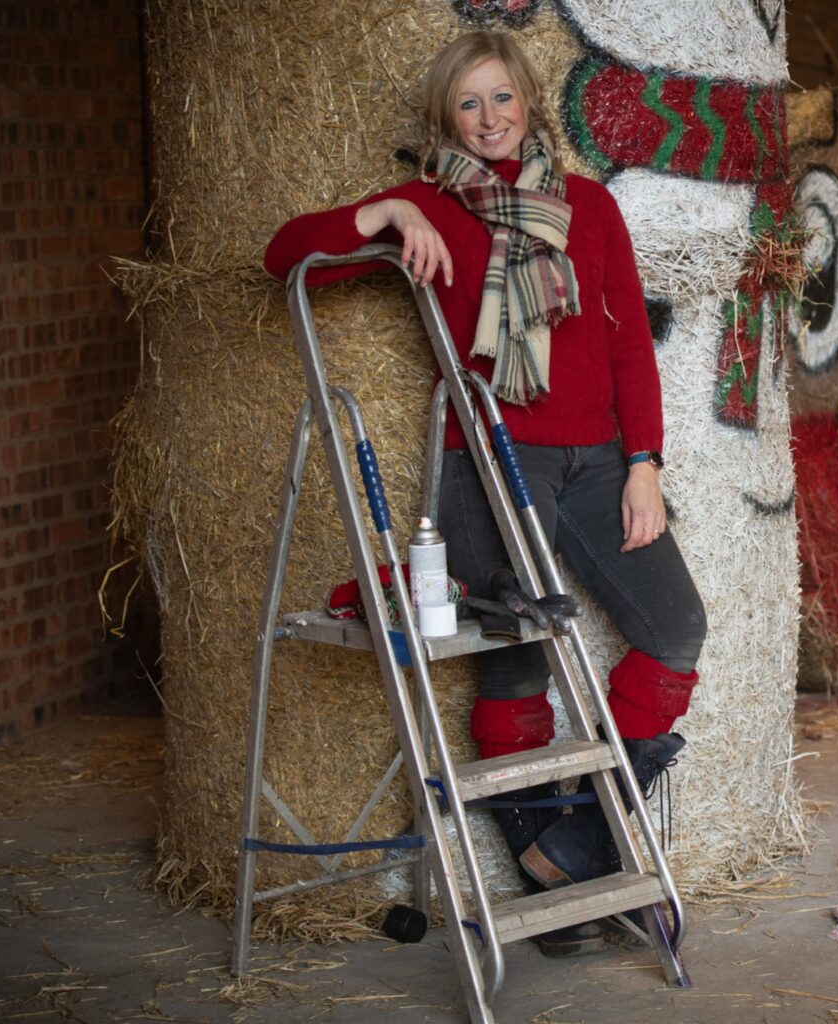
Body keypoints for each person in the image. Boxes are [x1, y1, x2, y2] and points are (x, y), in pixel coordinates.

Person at [263, 30, 707, 953]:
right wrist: (388, 212)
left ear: (529, 102)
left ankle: (577, 848)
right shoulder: (430, 208)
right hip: (490, 461)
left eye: (502, 97)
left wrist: (644, 463)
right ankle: (550, 868)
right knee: (514, 664)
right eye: (469, 104)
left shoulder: (589, 206)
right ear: (446, 119)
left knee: (674, 629)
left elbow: (628, 343)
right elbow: (283, 255)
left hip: (598, 462)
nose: (490, 118)